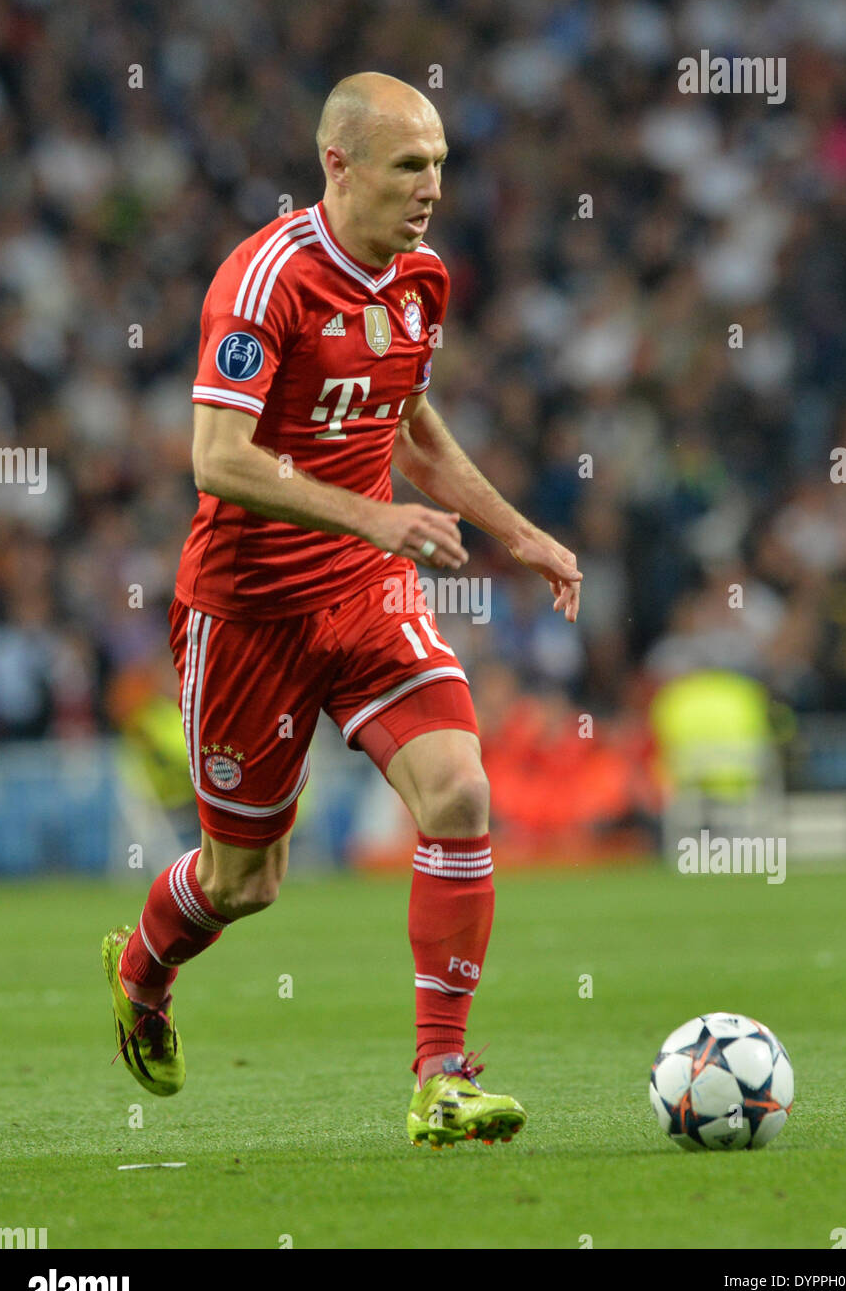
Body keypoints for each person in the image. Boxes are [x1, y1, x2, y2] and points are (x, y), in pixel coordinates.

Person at [102, 72, 582, 1148]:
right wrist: (371, 522)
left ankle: (440, 1075)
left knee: (459, 789)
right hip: (247, 615)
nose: (431, 188)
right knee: (246, 880)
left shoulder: (422, 278)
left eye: (441, 164)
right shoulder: (263, 278)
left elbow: (411, 430)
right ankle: (141, 969)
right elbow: (218, 460)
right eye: (410, 165)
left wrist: (519, 534)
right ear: (339, 164)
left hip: (365, 595)